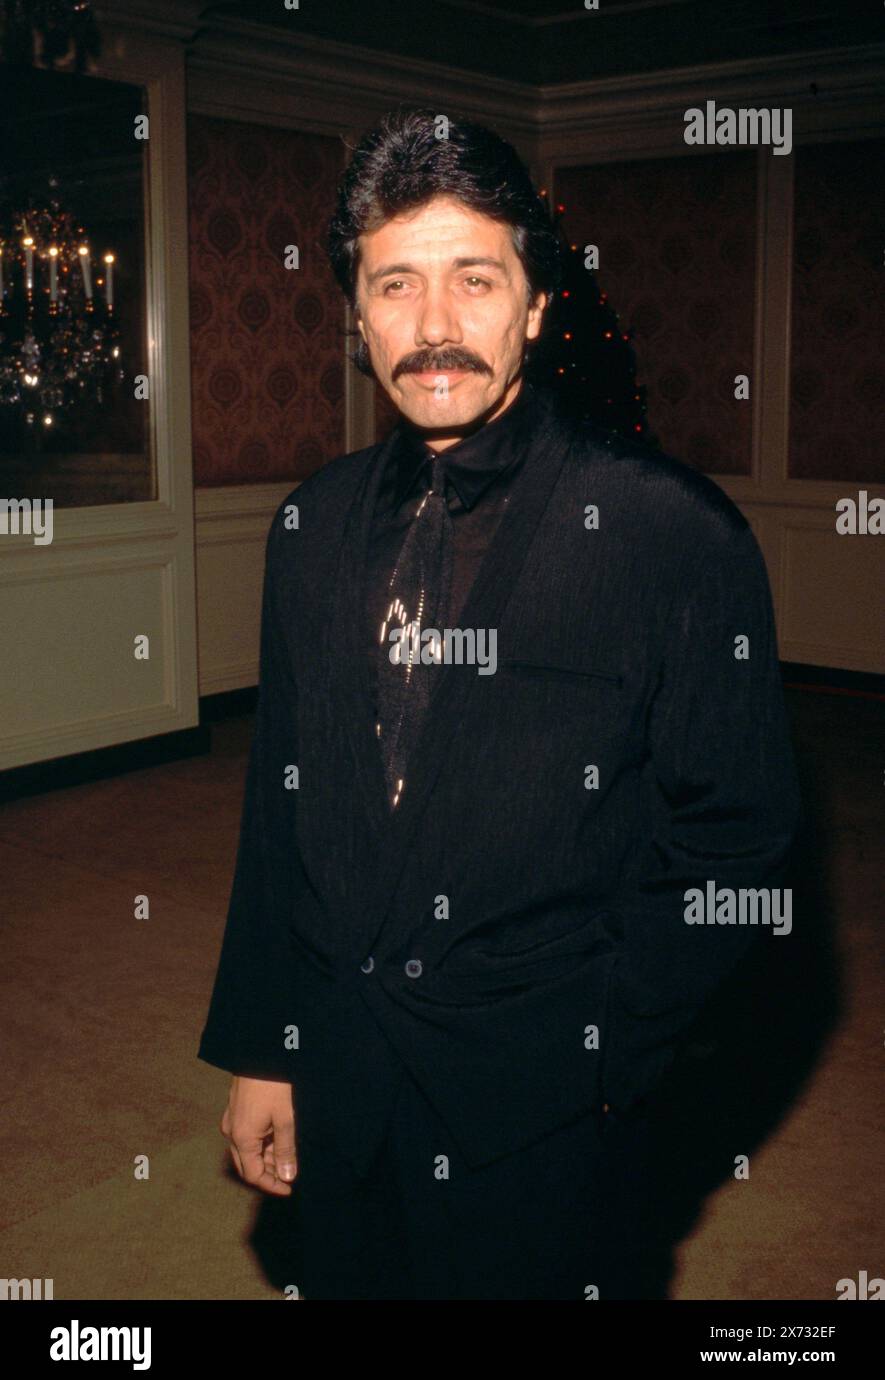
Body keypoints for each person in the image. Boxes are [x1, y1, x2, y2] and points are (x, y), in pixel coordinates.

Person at [198, 106, 802, 1299]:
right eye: (396, 285)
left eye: (475, 281)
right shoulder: (306, 528)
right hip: (346, 1076)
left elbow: (742, 846)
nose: (434, 329)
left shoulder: (668, 534)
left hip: (544, 1113)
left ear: (535, 304)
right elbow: (284, 809)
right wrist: (267, 1045)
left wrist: (606, 1053)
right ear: (355, 313)